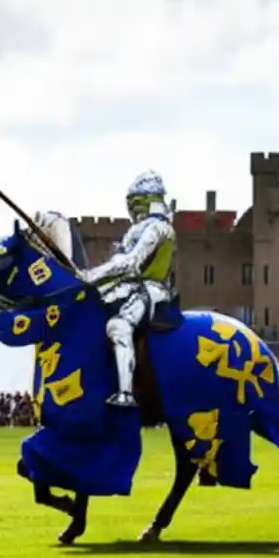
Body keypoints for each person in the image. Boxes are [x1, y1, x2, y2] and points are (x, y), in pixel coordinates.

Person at [80, 170, 177, 408]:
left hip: (150, 289)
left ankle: (126, 393)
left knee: (119, 326)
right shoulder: (136, 230)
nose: (132, 209)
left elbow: (132, 262)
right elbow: (117, 264)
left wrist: (91, 276)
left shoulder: (158, 228)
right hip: (128, 286)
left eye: (135, 203)